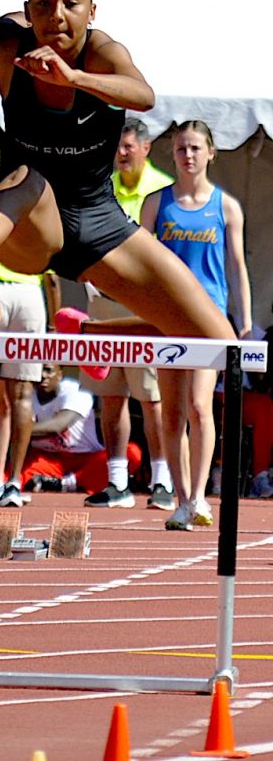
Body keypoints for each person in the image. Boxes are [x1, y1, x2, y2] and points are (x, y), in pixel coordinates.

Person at [0, 0, 234, 352]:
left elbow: (144, 96)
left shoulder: (103, 53)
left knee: (222, 344)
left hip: (97, 220)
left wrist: (75, 78)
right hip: (28, 225)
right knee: (30, 179)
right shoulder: (6, 44)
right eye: (43, 3)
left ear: (91, 11)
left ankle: (87, 334)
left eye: (70, 4)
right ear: (27, 12)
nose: (56, 15)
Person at [141, 120, 252, 531]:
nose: (188, 156)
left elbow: (237, 266)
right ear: (173, 153)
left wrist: (245, 321)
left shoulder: (226, 207)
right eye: (181, 149)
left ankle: (201, 496)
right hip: (167, 317)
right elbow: (143, 263)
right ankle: (182, 498)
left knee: (200, 406)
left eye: (195, 149)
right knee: (171, 412)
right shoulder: (156, 204)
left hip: (209, 318)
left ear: (210, 153)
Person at [83, 118, 175, 511]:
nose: (120, 155)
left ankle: (162, 481)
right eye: (116, 148)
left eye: (127, 147)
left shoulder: (162, 191)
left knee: (151, 398)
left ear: (146, 148)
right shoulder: (103, 185)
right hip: (102, 301)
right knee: (111, 396)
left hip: (143, 305)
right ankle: (117, 482)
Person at [0, 263, 60, 508]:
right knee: (22, 397)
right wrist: (54, 325)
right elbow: (51, 278)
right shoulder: (40, 223)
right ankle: (14, 482)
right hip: (30, 295)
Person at [21, 363, 141, 495]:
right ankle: (65, 483)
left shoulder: (76, 390)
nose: (43, 376)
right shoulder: (24, 394)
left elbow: (57, 426)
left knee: (132, 453)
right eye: (39, 371)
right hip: (47, 459)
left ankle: (66, 483)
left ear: (60, 374)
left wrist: (17, 431)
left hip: (86, 459)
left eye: (48, 371)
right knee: (11, 476)